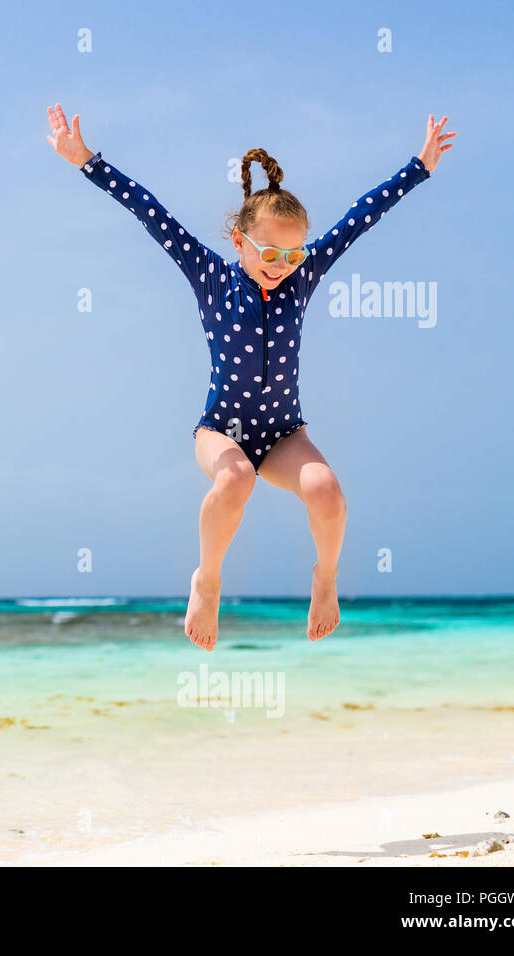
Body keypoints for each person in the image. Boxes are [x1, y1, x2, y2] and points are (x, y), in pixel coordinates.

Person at [46, 104, 455, 650]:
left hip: (286, 434)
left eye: (293, 252)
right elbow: (150, 211)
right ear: (240, 242)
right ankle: (208, 580)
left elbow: (362, 217)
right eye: (269, 251)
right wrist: (86, 161)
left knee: (327, 492)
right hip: (221, 431)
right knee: (234, 480)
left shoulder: (302, 277)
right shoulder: (210, 275)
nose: (282, 262)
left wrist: (419, 167)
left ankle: (325, 579)